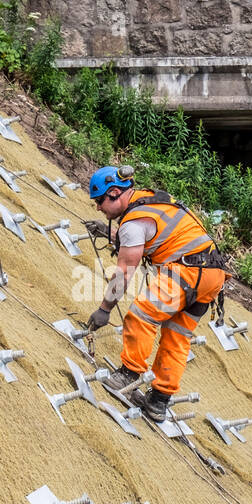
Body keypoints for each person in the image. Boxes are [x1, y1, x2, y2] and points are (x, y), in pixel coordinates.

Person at [82, 166, 229, 422]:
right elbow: (154, 236)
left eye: (99, 201)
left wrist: (104, 309)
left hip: (186, 270)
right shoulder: (151, 203)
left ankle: (129, 373)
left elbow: (124, 273)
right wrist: (112, 233)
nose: (98, 208)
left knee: (142, 314)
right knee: (177, 336)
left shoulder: (133, 221)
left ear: (115, 193)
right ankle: (159, 400)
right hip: (212, 276)